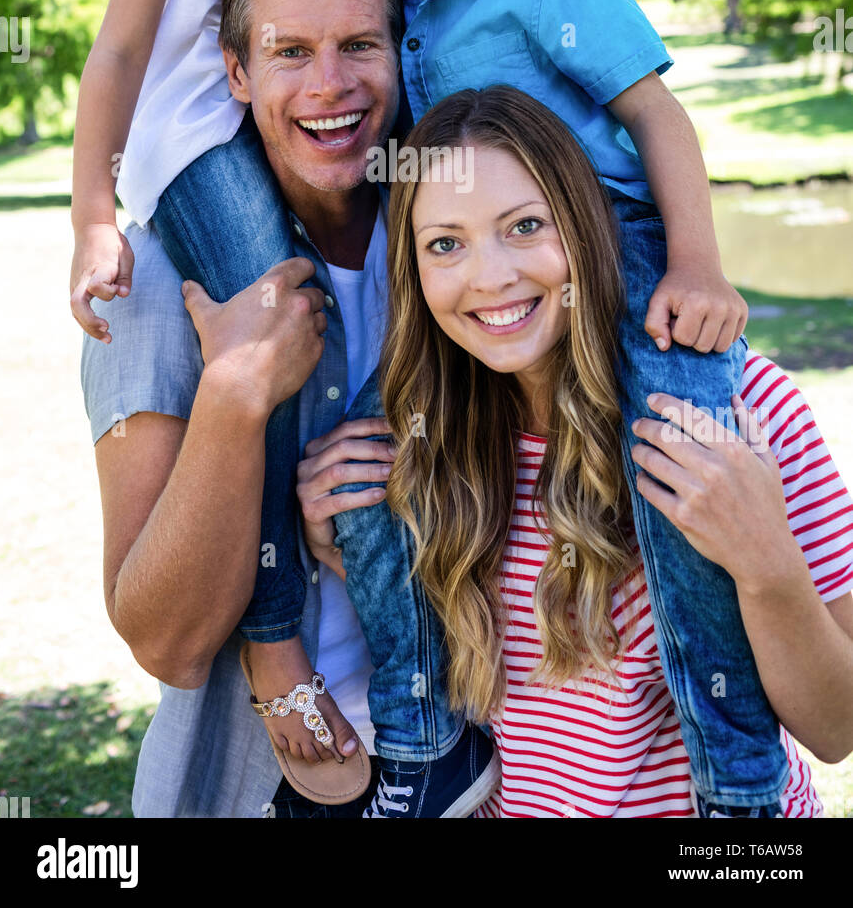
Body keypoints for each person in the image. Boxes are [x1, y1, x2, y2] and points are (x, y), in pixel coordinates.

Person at [342, 0, 786, 815]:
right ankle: (422, 741)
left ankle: (730, 766)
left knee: (674, 456)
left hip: (618, 254)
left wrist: (695, 265)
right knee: (360, 464)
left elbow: (658, 116)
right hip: (484, 265)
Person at [300, 85, 853, 817]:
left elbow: (837, 728)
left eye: (525, 226)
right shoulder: (422, 446)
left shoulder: (742, 414)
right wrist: (337, 538)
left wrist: (768, 564)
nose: (491, 276)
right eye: (446, 244)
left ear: (586, 230)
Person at [80, 0, 497, 817]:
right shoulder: (155, 283)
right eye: (290, 52)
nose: (330, 87)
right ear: (235, 71)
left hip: (485, 760)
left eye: (359, 45)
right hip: (255, 781)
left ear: (402, 51)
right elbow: (168, 642)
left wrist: (382, 515)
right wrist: (235, 396)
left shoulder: (463, 249)